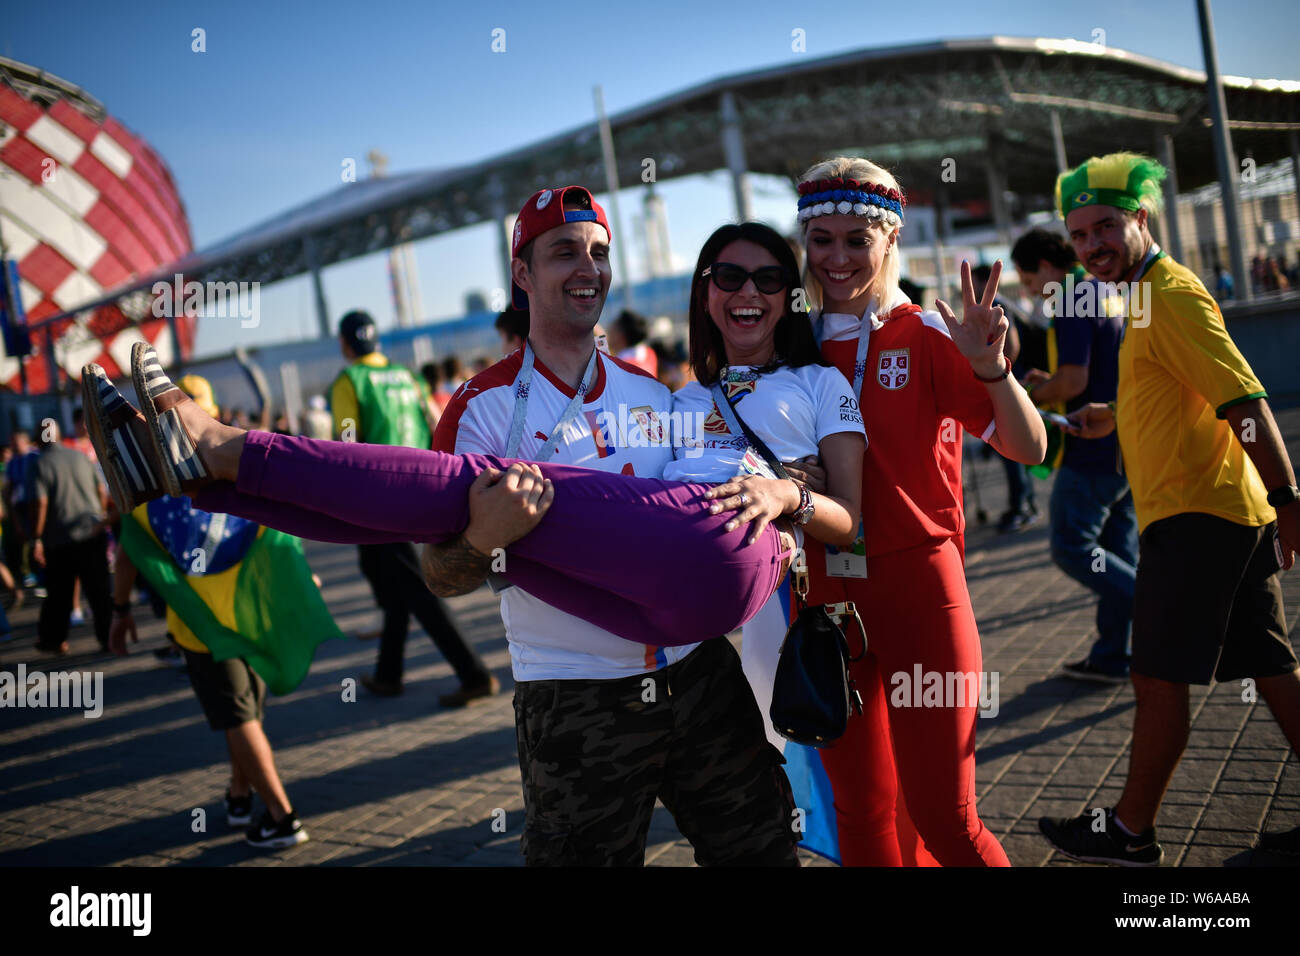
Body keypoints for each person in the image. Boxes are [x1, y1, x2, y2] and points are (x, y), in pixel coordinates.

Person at [87, 189, 805, 866]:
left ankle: (209, 460)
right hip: (577, 698)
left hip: (701, 675)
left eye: (597, 252)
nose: (586, 269)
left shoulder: (655, 393)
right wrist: (484, 540)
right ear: (521, 273)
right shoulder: (481, 409)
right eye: (563, 252)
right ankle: (203, 464)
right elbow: (439, 573)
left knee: (763, 850)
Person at [1038, 152, 1300, 864]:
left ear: (1141, 218)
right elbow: (1173, 394)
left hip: (1195, 519)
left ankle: (1128, 830)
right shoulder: (1144, 296)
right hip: (1221, 511)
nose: (1091, 247)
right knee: (1270, 667)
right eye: (1079, 236)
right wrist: (1111, 415)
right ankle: (1130, 827)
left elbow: (1243, 398)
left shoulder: (1173, 291)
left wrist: (1291, 496)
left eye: (1104, 227)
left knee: (1155, 676)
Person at [793, 156, 1046, 867]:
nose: (837, 258)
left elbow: (1031, 448)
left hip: (921, 595)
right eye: (821, 239)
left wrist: (992, 370)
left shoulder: (927, 333)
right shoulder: (789, 347)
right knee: (863, 821)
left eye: (856, 240)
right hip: (824, 600)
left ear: (889, 241)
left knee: (945, 820)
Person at [99, 372, 322, 849]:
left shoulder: (145, 488)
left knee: (239, 720)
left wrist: (120, 611)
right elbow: (279, 527)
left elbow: (128, 556)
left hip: (203, 629)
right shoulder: (238, 463)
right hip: (254, 614)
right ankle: (240, 796)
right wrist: (298, 579)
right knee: (245, 716)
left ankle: (283, 818)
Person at [329, 309, 496, 706]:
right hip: (419, 485)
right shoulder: (407, 376)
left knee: (416, 586)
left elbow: (347, 443)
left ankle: (473, 672)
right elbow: (436, 424)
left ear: (345, 343)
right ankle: (389, 674)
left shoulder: (350, 380)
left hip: (375, 497)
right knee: (388, 581)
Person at [1012, 227, 1137, 682]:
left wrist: (1033, 395)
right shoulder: (1103, 289)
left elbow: (1074, 383)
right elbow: (1087, 370)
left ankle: (1159, 613)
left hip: (1091, 444)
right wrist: (1053, 382)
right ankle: (1114, 656)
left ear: (1045, 266)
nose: (1031, 292)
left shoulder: (1070, 296)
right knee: (1116, 548)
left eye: (1028, 282)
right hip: (1124, 439)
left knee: (1071, 545)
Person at [29, 421, 113, 654]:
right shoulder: (79, 457)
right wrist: (100, 517)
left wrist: (36, 538)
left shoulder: (39, 463)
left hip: (60, 539)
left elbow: (40, 502)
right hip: (91, 533)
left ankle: (54, 640)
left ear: (37, 439)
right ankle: (108, 638)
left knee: (59, 593)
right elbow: (100, 490)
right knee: (99, 591)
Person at [607, 309, 658, 377]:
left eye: (611, 331)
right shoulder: (649, 354)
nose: (608, 333)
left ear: (620, 335)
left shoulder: (618, 369)